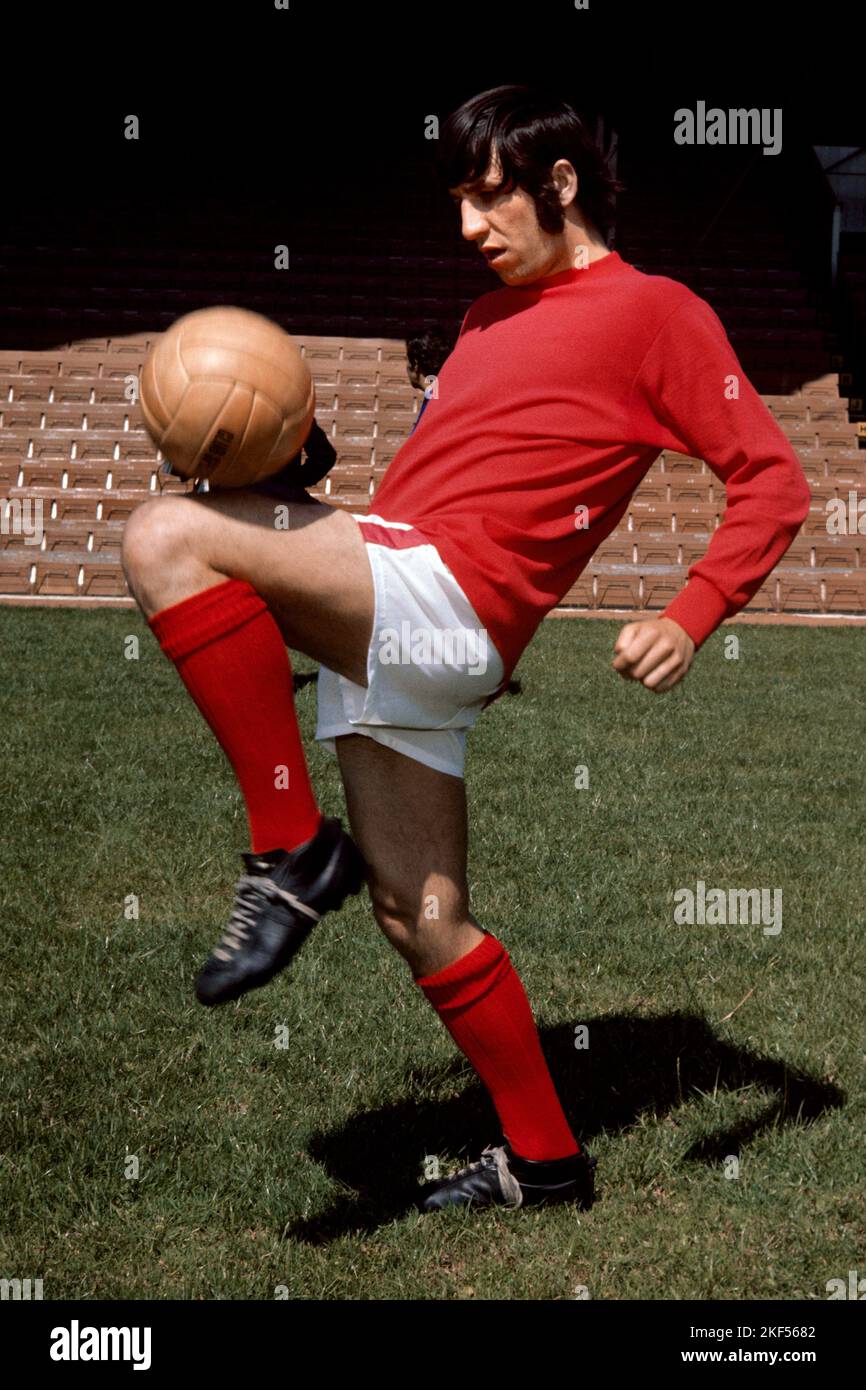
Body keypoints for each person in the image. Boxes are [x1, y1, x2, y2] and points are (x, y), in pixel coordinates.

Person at [120, 84, 811, 1215]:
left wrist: (691, 613)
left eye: (487, 196)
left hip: (445, 599)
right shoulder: (489, 319)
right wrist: (296, 477)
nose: (467, 227)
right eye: (455, 199)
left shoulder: (656, 310)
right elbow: (458, 478)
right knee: (420, 916)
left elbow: (771, 480)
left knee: (163, 537)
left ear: (562, 184)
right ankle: (544, 1162)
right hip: (409, 600)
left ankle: (288, 846)